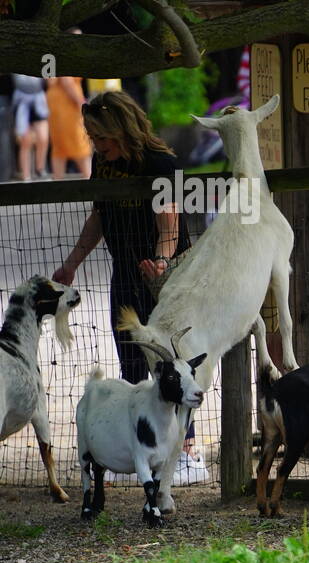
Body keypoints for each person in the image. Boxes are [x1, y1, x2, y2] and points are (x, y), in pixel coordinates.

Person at [52, 91, 207, 485]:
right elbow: (98, 217)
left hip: (165, 278)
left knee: (171, 363)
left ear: (123, 130)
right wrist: (71, 264)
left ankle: (185, 451)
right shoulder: (104, 165)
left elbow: (169, 221)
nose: (97, 146)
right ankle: (142, 446)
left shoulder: (160, 163)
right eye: (93, 139)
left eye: (102, 138)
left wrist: (160, 262)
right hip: (125, 271)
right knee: (133, 363)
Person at [47, 35, 93, 179]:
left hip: (57, 101)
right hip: (66, 102)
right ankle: (91, 180)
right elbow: (67, 81)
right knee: (79, 141)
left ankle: (58, 183)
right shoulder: (64, 54)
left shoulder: (56, 53)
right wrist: (81, 103)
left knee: (59, 145)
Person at [11, 74, 49, 181]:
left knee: (43, 138)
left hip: (38, 99)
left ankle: (40, 169)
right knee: (25, 141)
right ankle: (26, 175)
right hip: (21, 100)